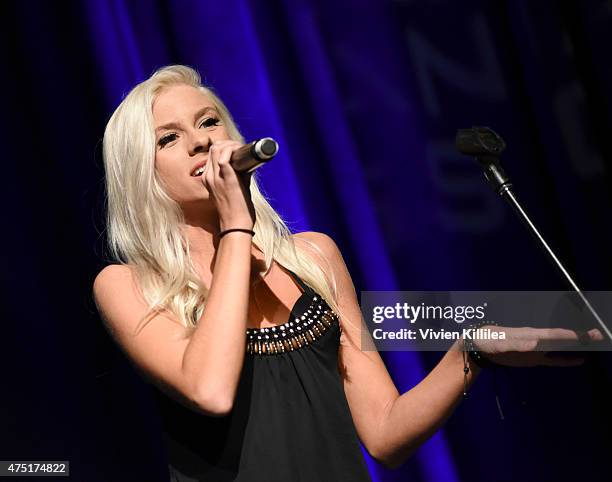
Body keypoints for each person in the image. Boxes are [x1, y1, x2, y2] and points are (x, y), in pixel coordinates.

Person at [93, 65, 602, 482]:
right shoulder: (128, 284)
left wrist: (470, 350)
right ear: (142, 171)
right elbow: (209, 389)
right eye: (168, 138)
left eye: (208, 122)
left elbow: (383, 433)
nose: (201, 143)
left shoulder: (313, 257)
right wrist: (234, 228)